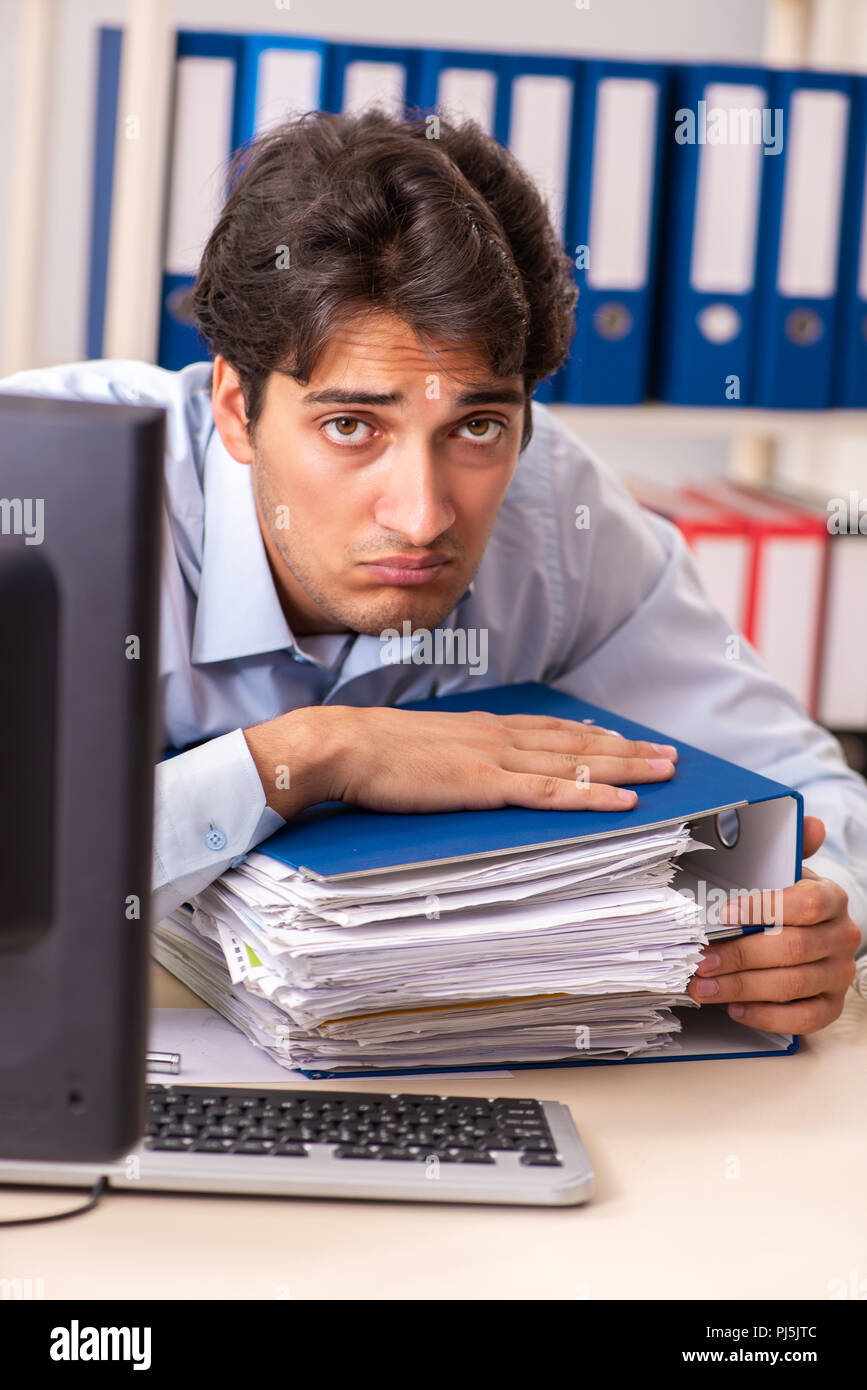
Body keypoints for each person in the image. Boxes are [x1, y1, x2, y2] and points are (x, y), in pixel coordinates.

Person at [2, 109, 863, 1036]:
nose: (421, 515)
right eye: (350, 426)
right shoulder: (39, 485)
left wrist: (814, 914)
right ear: (235, 410)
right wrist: (313, 753)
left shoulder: (557, 512)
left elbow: (809, 793)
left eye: (477, 427)